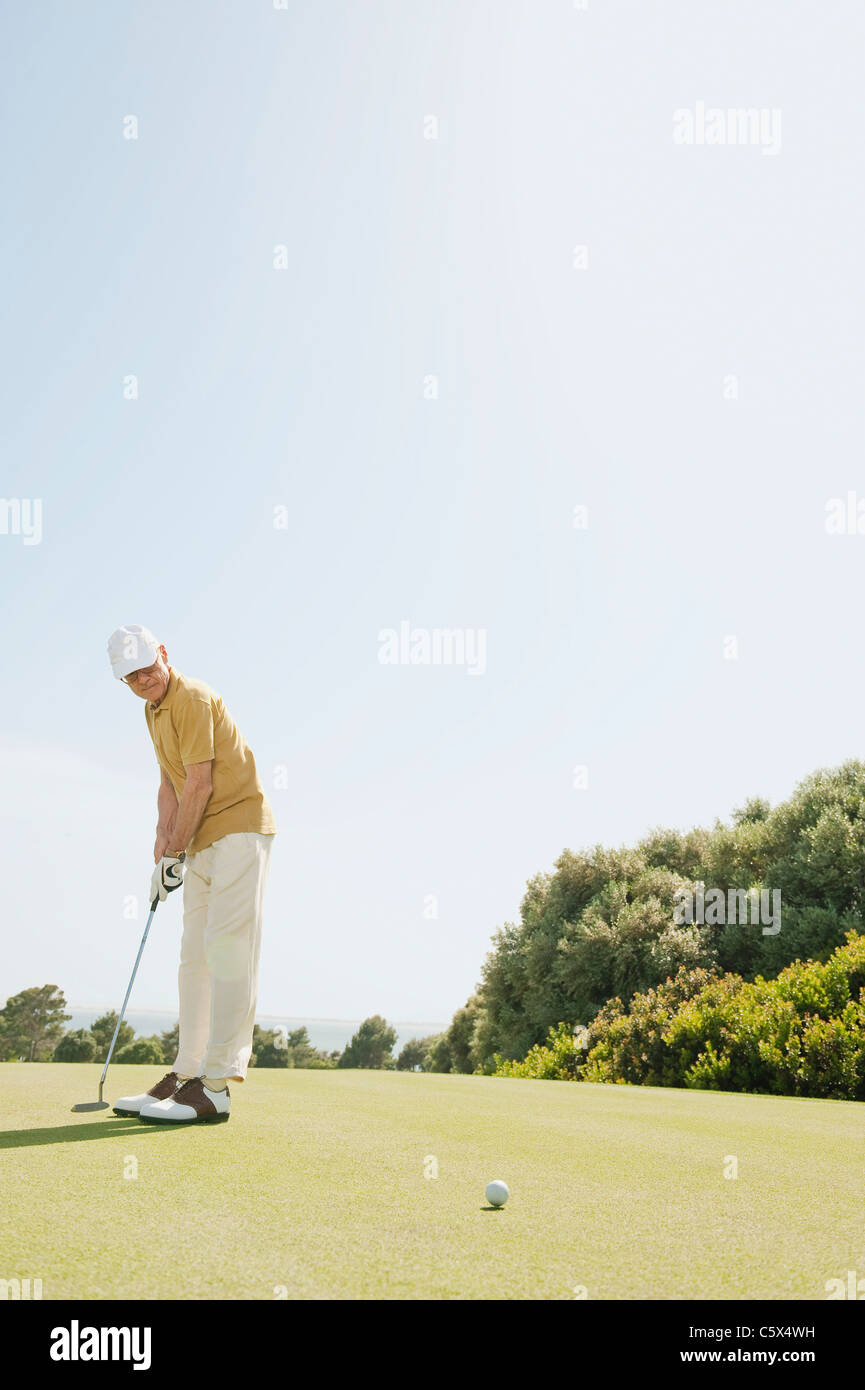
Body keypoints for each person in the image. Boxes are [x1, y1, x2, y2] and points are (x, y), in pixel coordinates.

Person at [106, 623, 276, 1124]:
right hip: (199, 839)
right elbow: (170, 782)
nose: (141, 680)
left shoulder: (194, 698)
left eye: (146, 668)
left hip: (240, 830)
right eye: (130, 677)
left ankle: (218, 1086)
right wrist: (163, 847)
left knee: (227, 952)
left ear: (163, 653)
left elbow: (199, 786)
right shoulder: (151, 711)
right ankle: (187, 1074)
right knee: (193, 959)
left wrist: (176, 850)